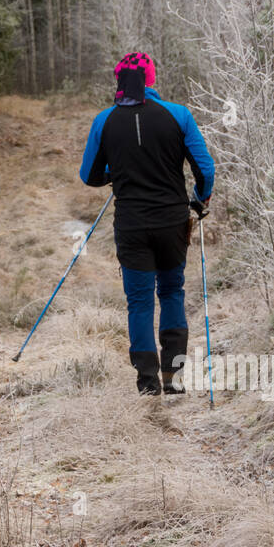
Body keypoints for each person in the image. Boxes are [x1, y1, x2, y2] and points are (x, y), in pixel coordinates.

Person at [79, 52, 215, 396]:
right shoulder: (178, 115)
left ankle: (148, 383)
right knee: (171, 292)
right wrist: (200, 200)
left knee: (139, 302)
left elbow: (90, 175)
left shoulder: (104, 121)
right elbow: (206, 170)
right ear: (151, 79)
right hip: (173, 221)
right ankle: (174, 377)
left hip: (132, 225)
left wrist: (119, 174)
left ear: (119, 81)